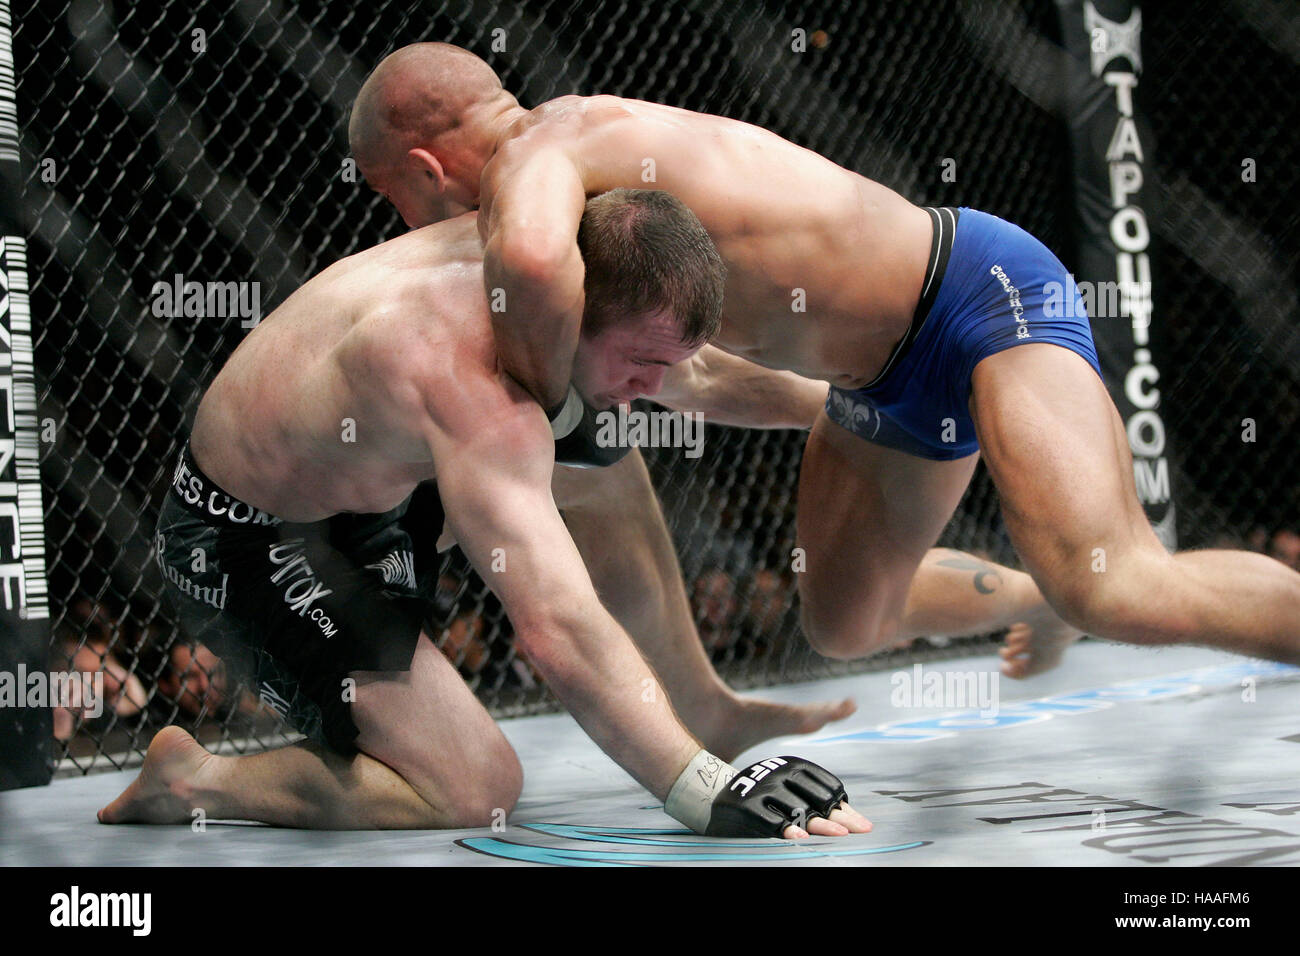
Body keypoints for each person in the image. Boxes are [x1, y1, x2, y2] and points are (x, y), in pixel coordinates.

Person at [347, 43, 1300, 676]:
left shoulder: (542, 154)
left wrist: (537, 405)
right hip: (876, 380)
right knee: (845, 623)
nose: (409, 228)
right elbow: (702, 374)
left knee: (1116, 581)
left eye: (396, 199)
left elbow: (528, 261)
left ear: (425, 169)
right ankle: (1034, 597)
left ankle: (1075, 593)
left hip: (975, 291)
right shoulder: (588, 193)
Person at [98, 189, 869, 839]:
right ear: (577, 313)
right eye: (642, 363)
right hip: (254, 537)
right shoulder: (464, 373)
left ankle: (696, 695)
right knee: (477, 787)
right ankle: (196, 779)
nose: (652, 386)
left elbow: (690, 371)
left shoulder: (554, 250)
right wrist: (703, 790)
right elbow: (557, 625)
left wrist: (859, 410)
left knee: (602, 454)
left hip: (380, 488)